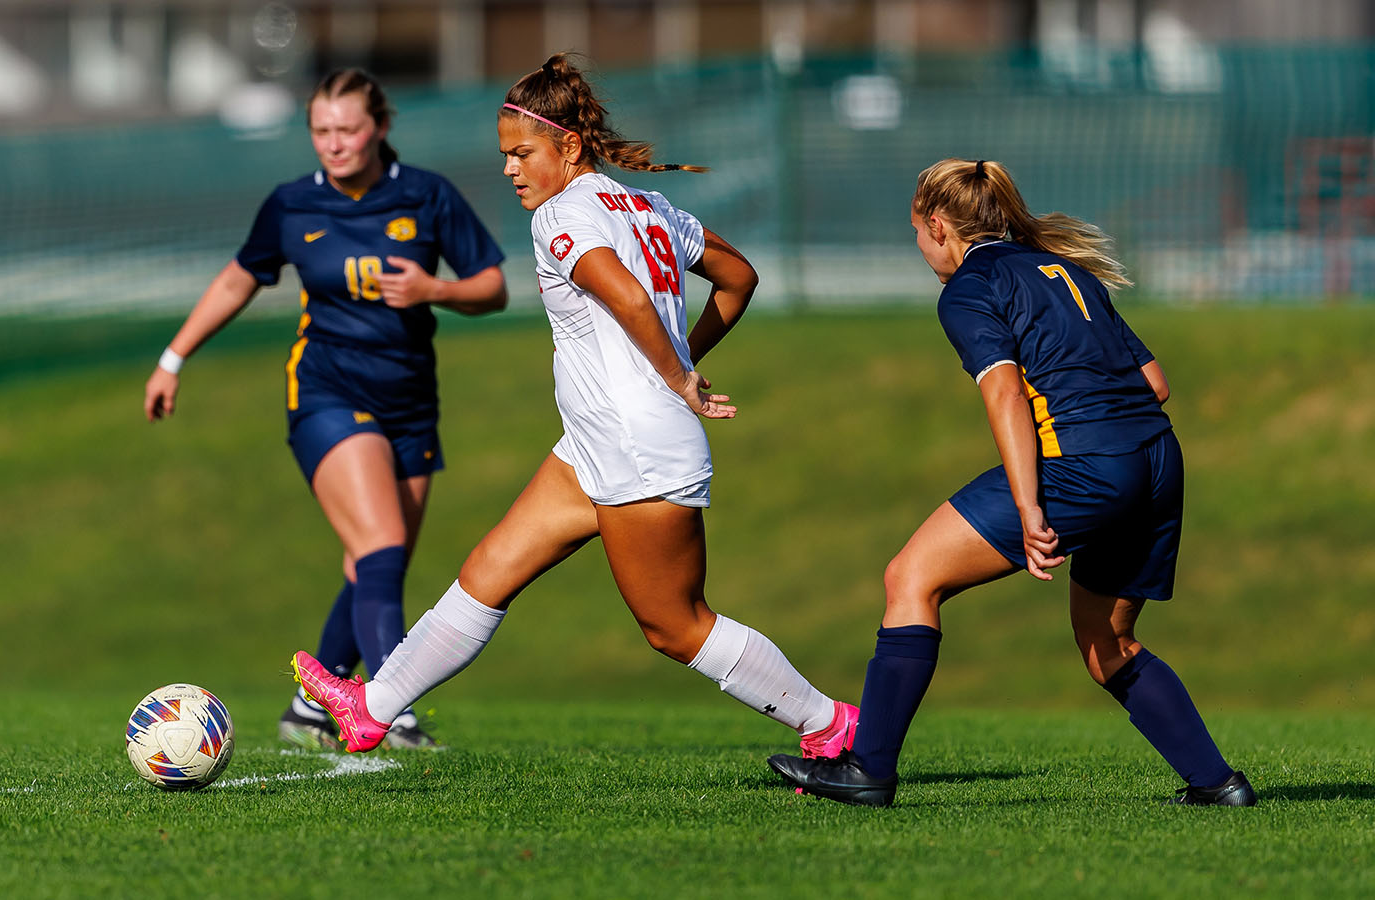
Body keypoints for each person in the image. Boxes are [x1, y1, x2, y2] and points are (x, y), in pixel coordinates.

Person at [289, 54, 859, 764]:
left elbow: (620, 292)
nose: (510, 169)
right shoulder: (648, 207)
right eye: (504, 155)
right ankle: (370, 708)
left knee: (674, 627)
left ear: (569, 145)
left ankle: (831, 723)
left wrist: (678, 372)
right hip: (596, 440)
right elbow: (738, 278)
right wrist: (680, 361)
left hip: (635, 444)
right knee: (488, 569)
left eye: (521, 153)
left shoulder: (562, 212)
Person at [769, 158, 1256, 808]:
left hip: (1084, 464)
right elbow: (1156, 384)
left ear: (939, 225)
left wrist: (1031, 506)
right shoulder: (1066, 271)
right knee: (1105, 640)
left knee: (910, 579)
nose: (920, 247)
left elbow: (1004, 393)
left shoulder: (970, 288)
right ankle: (1217, 784)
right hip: (1158, 463)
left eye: (917, 231)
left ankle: (868, 772)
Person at [143, 69, 509, 750]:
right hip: (326, 395)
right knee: (381, 548)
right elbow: (236, 279)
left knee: (374, 566)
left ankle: (312, 706)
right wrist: (173, 358)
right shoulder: (291, 205)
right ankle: (389, 711)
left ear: (381, 128)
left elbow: (492, 286)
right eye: (321, 131)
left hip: (410, 404)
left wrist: (434, 288)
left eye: (348, 129)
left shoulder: (427, 194)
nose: (334, 143)